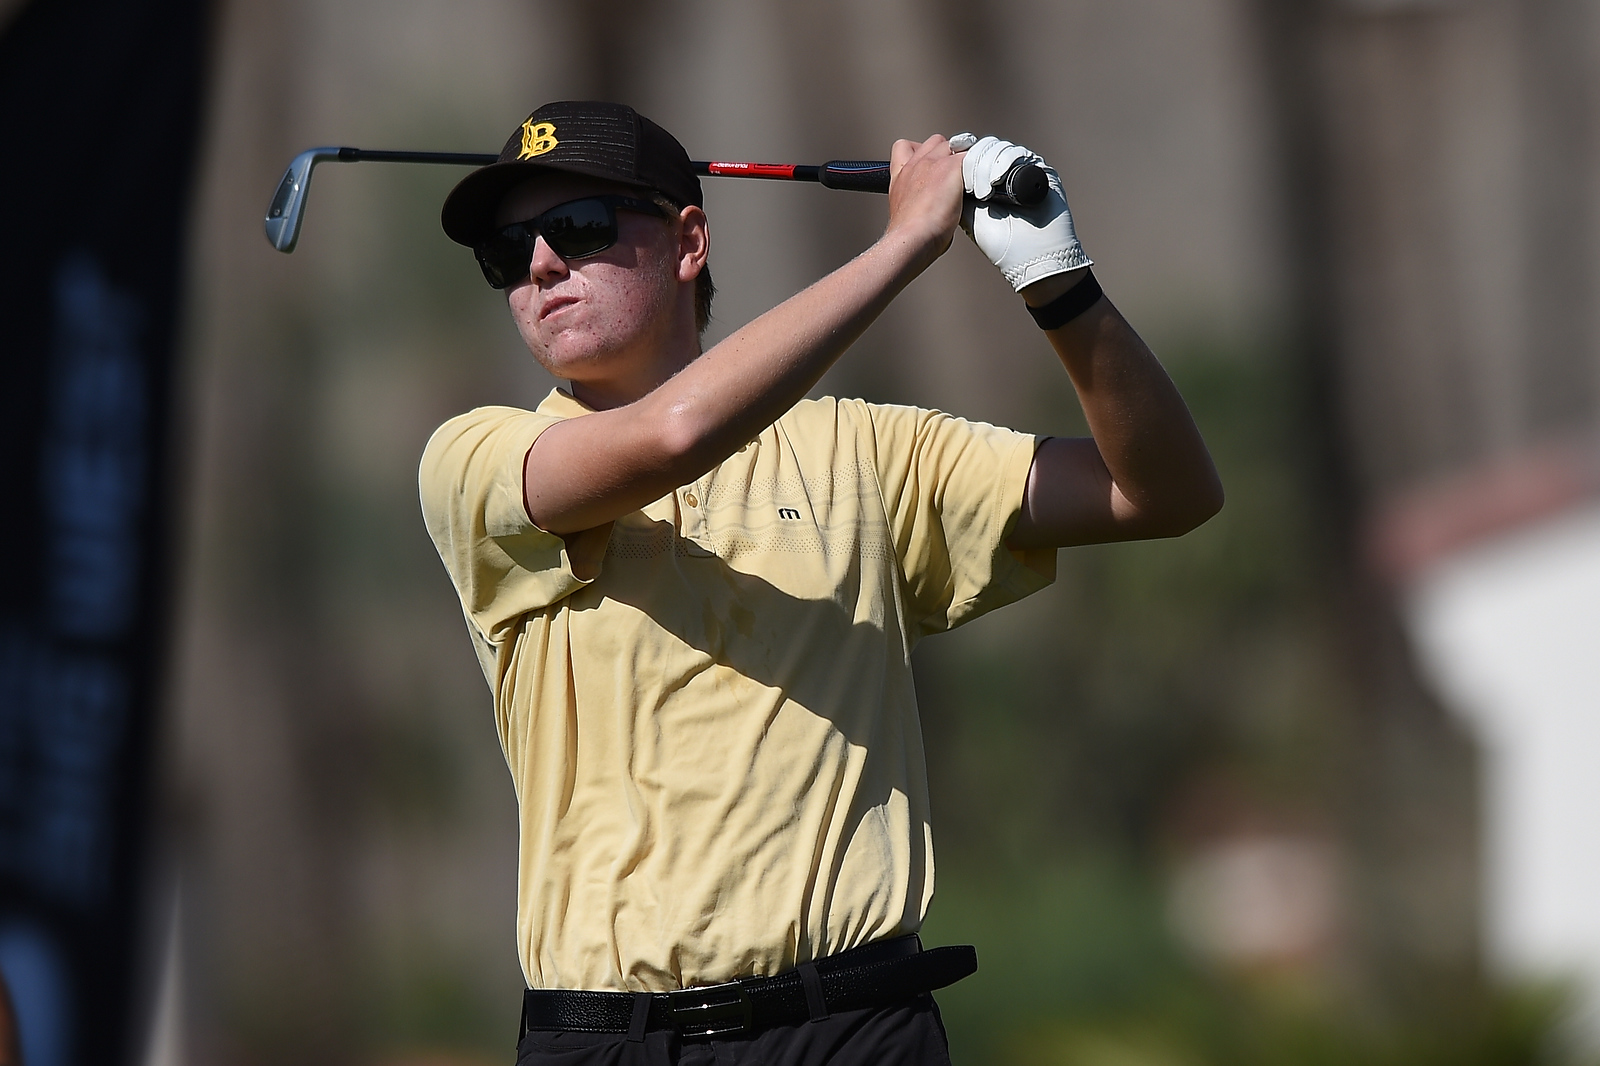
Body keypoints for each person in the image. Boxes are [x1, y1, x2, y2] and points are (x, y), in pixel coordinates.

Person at [419, 100, 1222, 1065]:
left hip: (851, 1029)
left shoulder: (865, 451)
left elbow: (1166, 492)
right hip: (604, 1040)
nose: (541, 266)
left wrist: (1057, 283)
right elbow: (672, 438)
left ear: (689, 242)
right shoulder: (473, 458)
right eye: (507, 253)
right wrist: (905, 246)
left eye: (579, 228)